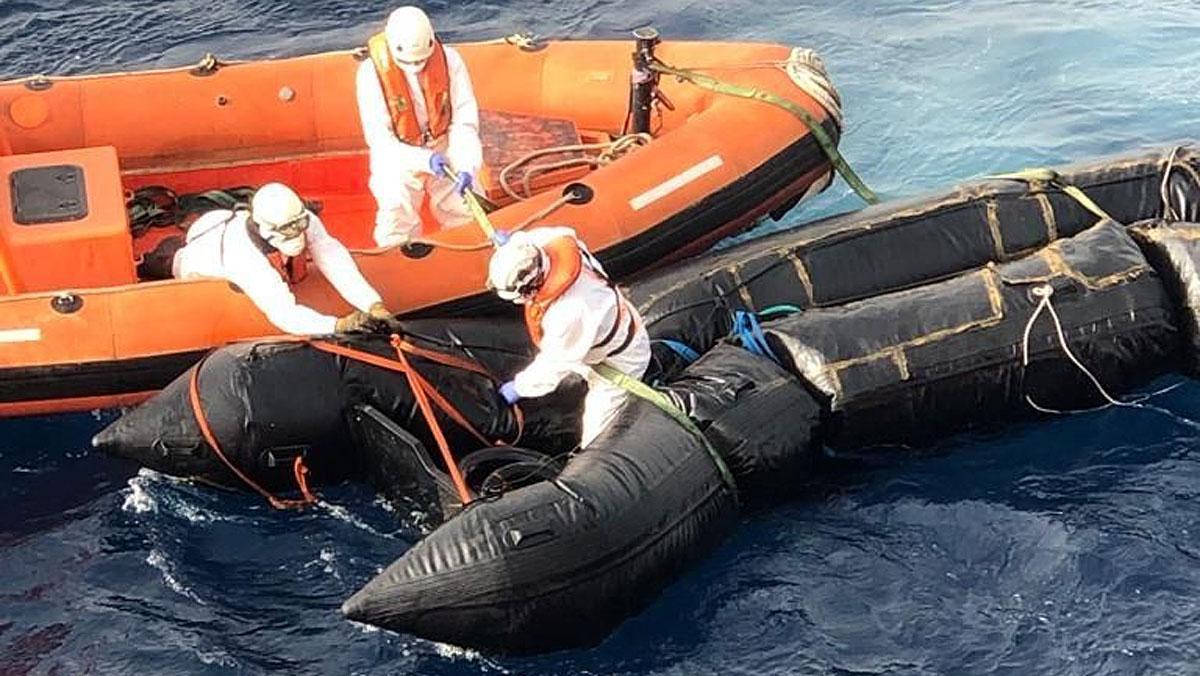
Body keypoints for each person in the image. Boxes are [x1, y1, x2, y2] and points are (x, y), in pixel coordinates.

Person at [138, 182, 394, 336]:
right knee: (173, 261)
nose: (297, 233)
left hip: (221, 221)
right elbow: (283, 312)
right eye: (288, 230)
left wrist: (372, 303)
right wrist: (338, 326)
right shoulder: (244, 258)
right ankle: (151, 260)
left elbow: (331, 256)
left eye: (299, 226)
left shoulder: (298, 219)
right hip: (200, 253)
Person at [487, 226, 651, 448]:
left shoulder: (569, 312)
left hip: (619, 359)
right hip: (602, 330)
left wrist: (519, 388)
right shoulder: (552, 242)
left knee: (597, 429)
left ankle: (598, 455)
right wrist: (510, 244)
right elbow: (528, 240)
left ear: (530, 288)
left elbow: (552, 367)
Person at [356, 5, 483, 247]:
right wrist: (424, 160)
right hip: (399, 154)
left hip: (443, 143)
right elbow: (381, 141)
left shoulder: (450, 61)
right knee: (396, 213)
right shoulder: (370, 74)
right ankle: (398, 266)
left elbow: (464, 121)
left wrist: (466, 164)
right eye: (408, 63)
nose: (416, 68)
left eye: (422, 62)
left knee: (466, 208)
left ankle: (470, 258)